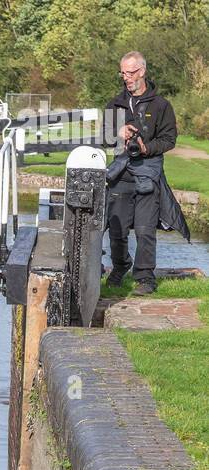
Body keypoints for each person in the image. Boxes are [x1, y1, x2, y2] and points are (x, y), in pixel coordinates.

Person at [104, 52, 181, 295]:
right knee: (116, 230)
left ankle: (145, 278)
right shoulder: (114, 105)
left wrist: (148, 147)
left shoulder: (161, 105)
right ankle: (120, 266)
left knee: (146, 229)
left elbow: (169, 140)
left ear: (143, 71)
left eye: (131, 72)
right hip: (121, 175)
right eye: (123, 73)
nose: (126, 78)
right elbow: (104, 139)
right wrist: (118, 132)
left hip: (149, 174)